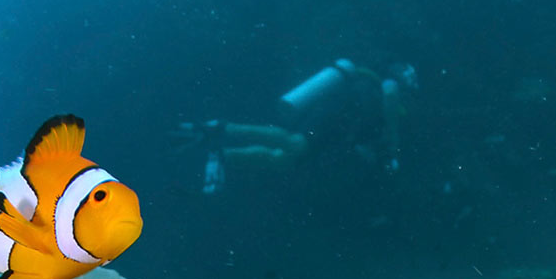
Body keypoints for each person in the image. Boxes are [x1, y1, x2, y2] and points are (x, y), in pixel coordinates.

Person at [173, 59, 417, 193]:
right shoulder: (386, 84)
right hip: (334, 113)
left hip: (338, 126)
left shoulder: (378, 96)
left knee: (283, 159)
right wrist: (394, 139)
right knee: (294, 142)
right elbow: (391, 94)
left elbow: (364, 134)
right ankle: (222, 128)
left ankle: (224, 155)